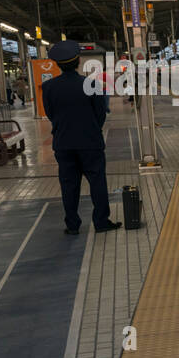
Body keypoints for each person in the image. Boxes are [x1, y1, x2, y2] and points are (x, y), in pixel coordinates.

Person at [43, 40, 121, 235]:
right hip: (90, 142)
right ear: (78, 62)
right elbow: (100, 113)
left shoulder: (48, 87)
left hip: (63, 143)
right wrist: (92, 129)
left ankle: (72, 225)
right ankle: (101, 222)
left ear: (57, 64)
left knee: (69, 185)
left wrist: (63, 128)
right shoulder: (92, 84)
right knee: (97, 182)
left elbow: (50, 114)